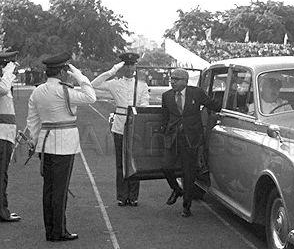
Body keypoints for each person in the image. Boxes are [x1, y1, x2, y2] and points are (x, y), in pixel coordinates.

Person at [26, 52, 96, 242]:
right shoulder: (64, 91)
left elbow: (32, 120)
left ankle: (51, 229)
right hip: (64, 145)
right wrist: (79, 75)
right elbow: (91, 96)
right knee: (60, 190)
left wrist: (32, 142)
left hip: (45, 143)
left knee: (49, 189)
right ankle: (58, 231)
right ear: (63, 72)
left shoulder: (37, 91)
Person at [161, 68, 222, 217]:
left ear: (185, 81)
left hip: (191, 139)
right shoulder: (166, 96)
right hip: (173, 137)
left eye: (176, 79)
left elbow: (212, 104)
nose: (172, 81)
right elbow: (165, 116)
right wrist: (165, 132)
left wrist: (230, 100)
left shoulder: (196, 93)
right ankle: (176, 189)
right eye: (171, 79)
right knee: (166, 167)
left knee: (189, 173)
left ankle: (186, 207)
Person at [91, 52, 150, 207]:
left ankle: (133, 196)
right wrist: (112, 71)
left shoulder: (142, 85)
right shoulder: (115, 83)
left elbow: (144, 106)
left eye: (132, 65)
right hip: (119, 125)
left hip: (136, 125)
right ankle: (122, 196)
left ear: (136, 66)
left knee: (135, 162)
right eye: (126, 65)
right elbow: (93, 84)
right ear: (122, 67)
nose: (129, 68)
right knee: (120, 163)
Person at [0, 50, 22, 223]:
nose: (14, 71)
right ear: (3, 67)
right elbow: (3, 88)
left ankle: (3, 209)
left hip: (5, 135)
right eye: (10, 66)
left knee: (3, 174)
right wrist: (7, 72)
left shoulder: (3, 83)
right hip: (0, 136)